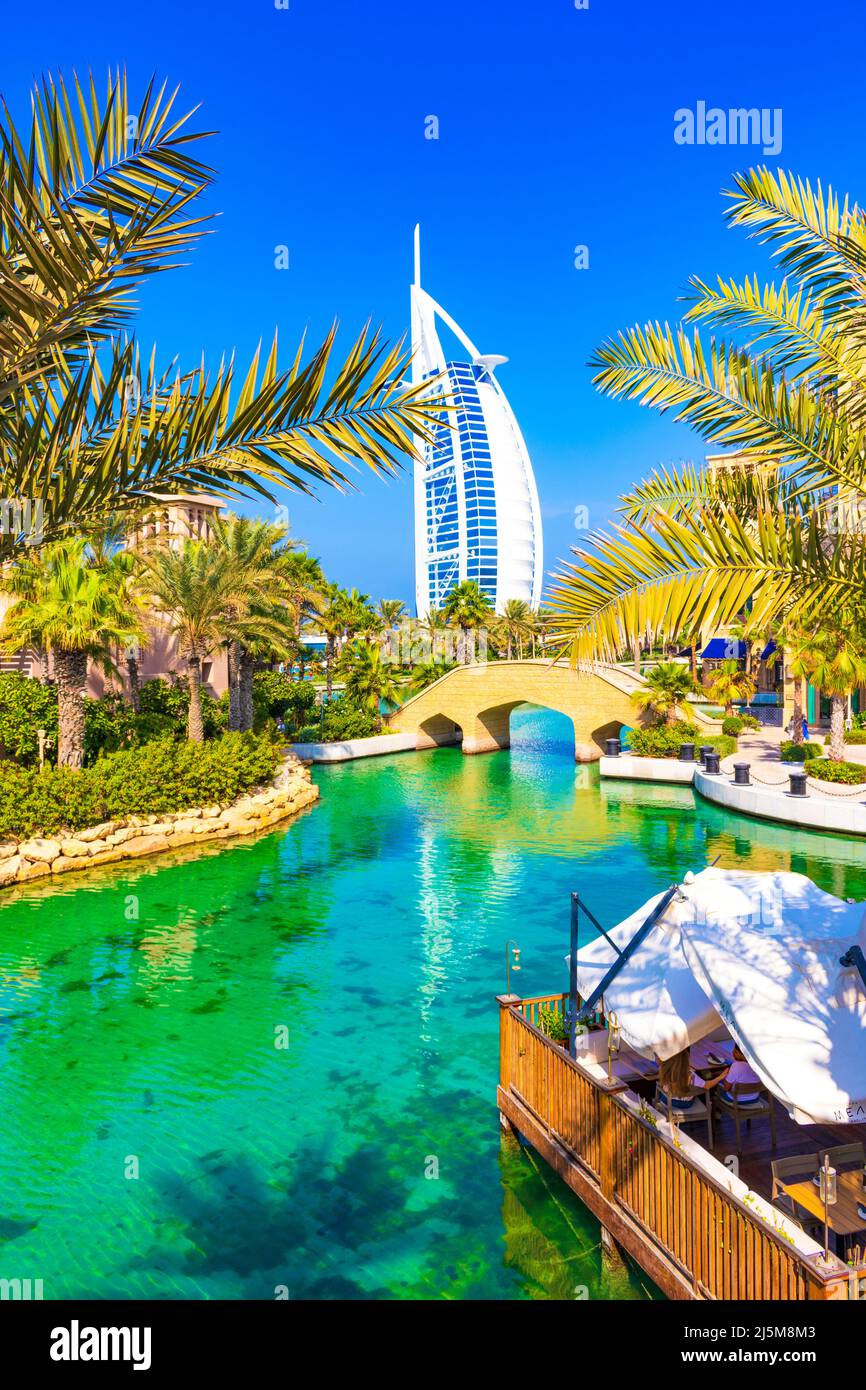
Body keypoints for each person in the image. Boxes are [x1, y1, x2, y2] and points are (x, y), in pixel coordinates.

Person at [657, 1048, 727, 1112]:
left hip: (667, 1100)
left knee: (661, 1089)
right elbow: (707, 1085)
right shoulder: (691, 1075)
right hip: (686, 1104)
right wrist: (720, 1077)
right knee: (698, 1090)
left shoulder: (666, 1072)